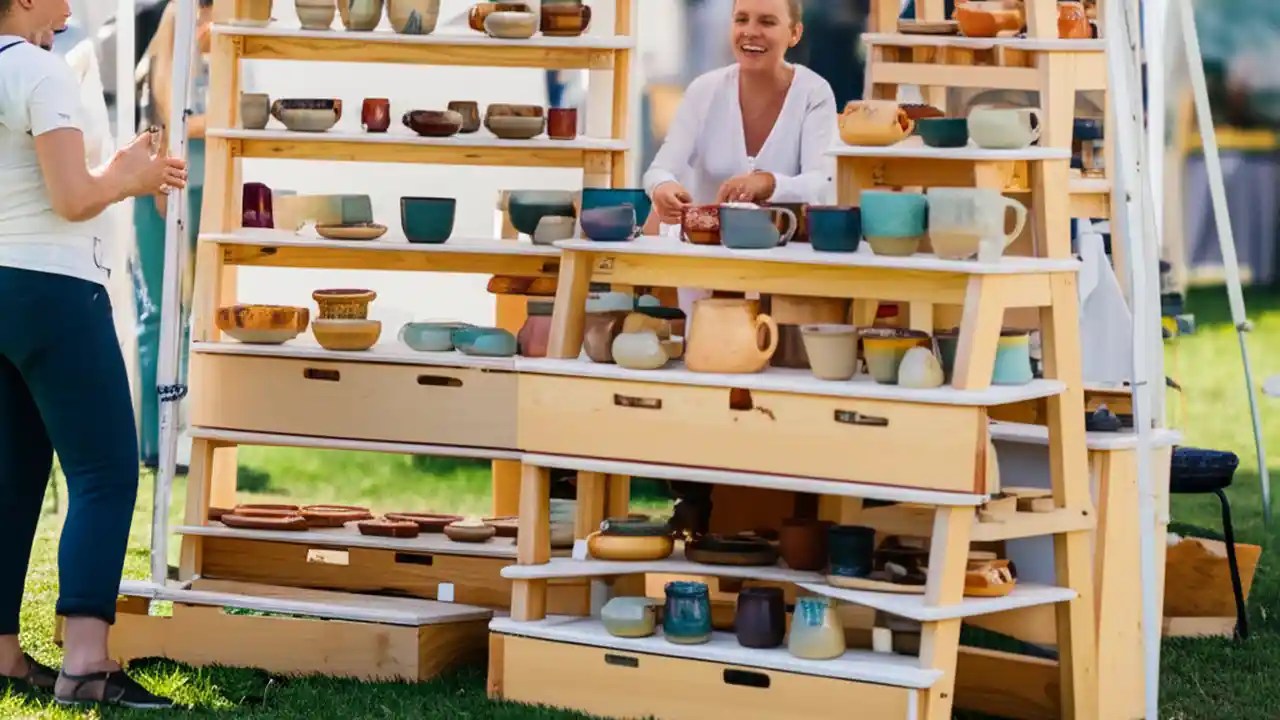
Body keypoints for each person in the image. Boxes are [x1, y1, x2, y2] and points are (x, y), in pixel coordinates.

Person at [0, 0, 186, 708]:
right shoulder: (41, 72)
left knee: (11, 478)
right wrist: (131, 177)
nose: (71, 1)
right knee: (106, 470)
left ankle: (4, 656)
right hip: (52, 288)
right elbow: (74, 198)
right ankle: (85, 664)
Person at [644, 0, 838, 315]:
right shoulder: (703, 90)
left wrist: (769, 183)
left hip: (782, 268)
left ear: (794, 33)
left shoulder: (814, 93)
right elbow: (660, 169)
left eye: (767, 22)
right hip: (706, 264)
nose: (750, 32)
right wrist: (663, 188)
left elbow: (822, 185)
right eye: (742, 19)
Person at [133, 0, 213, 469]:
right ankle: (155, 444)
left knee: (197, 317)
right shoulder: (175, 21)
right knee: (161, 315)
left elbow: (240, 113)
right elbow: (173, 115)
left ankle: (183, 438)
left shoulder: (225, 37)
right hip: (164, 187)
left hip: (209, 188)